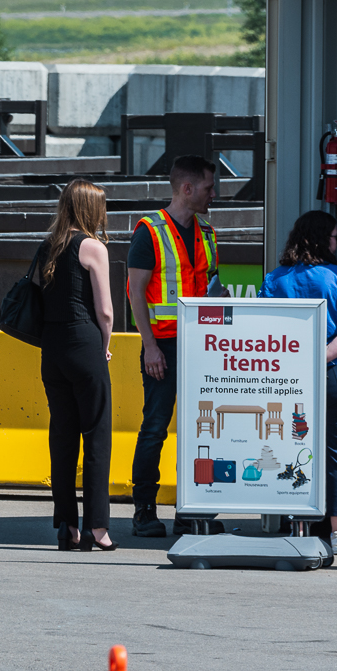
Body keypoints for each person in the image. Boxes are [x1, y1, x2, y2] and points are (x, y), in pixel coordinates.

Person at [126, 154, 222, 538]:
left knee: (202, 432)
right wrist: (149, 347)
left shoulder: (209, 234)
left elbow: (212, 288)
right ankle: (144, 512)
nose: (213, 194)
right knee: (155, 428)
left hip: (201, 348)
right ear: (187, 188)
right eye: (209, 187)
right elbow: (135, 294)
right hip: (163, 347)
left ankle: (192, 512)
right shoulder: (150, 231)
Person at [260, 211, 337, 555]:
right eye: (336, 237)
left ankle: (298, 523)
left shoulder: (275, 280)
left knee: (291, 446)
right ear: (323, 239)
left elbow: (261, 330)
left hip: (287, 377)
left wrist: (301, 360)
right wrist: (321, 357)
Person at [36, 179, 117, 551]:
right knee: (96, 436)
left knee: (62, 438)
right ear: (91, 209)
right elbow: (104, 310)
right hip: (83, 342)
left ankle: (66, 526)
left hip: (51, 350)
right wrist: (105, 345)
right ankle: (97, 529)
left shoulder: (47, 246)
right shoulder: (92, 247)